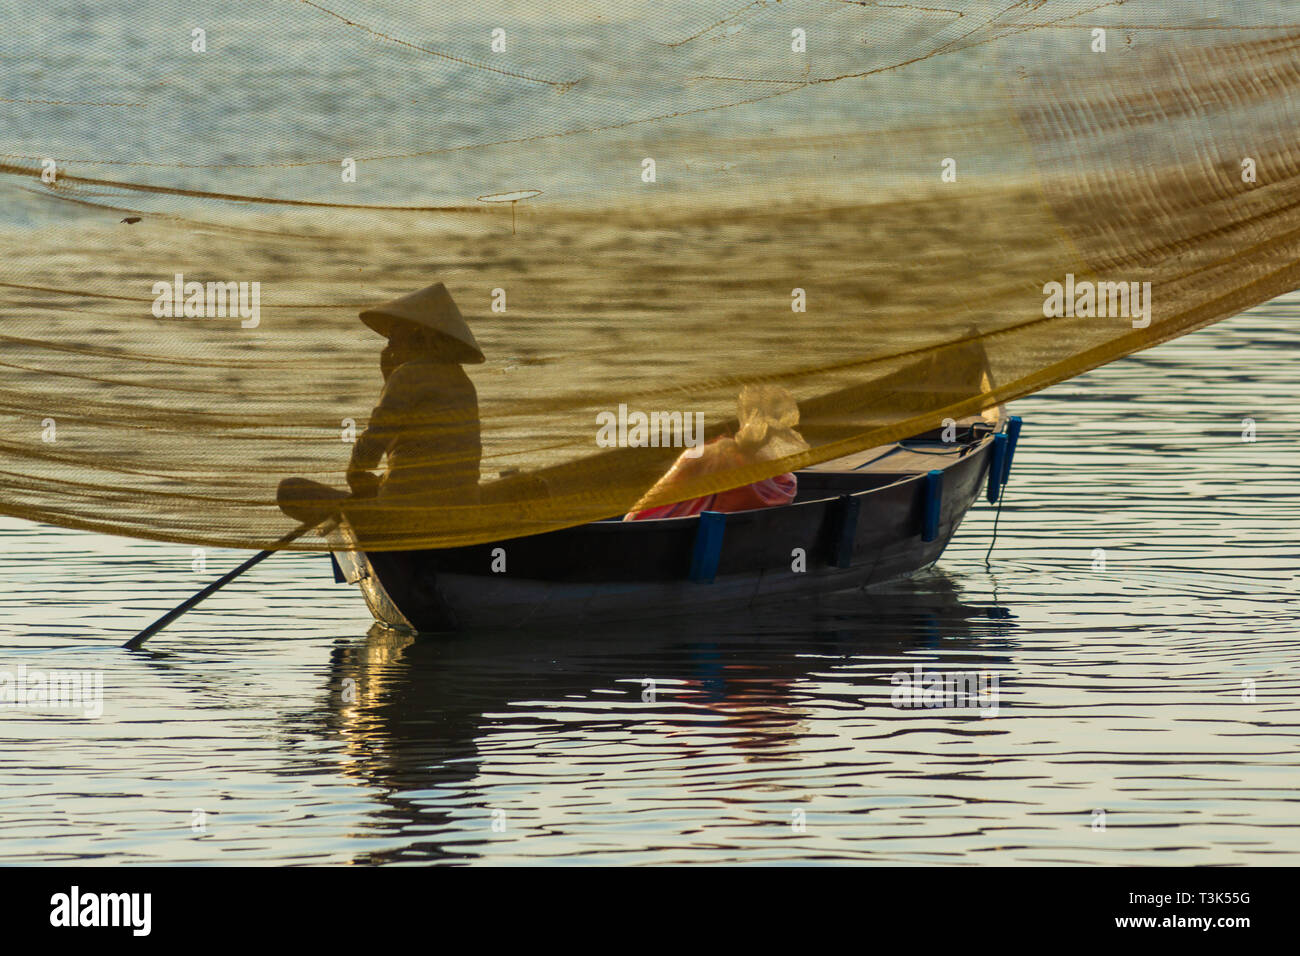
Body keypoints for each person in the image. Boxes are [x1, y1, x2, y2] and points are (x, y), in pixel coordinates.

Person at [277, 282, 484, 538]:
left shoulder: (409, 375)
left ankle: (358, 516)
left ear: (418, 334)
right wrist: (389, 378)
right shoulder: (463, 383)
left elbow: (374, 442)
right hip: (463, 508)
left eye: (395, 336)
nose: (389, 346)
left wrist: (355, 473)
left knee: (289, 489)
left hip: (407, 511)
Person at [624, 384, 809, 520]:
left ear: (738, 418)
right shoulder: (783, 480)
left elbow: (636, 518)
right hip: (741, 553)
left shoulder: (704, 457)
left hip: (684, 549)